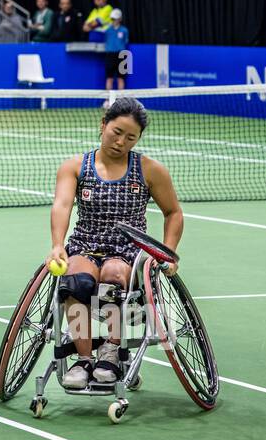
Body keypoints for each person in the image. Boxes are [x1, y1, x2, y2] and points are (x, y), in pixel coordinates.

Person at [47, 98, 183, 389]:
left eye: (130, 137)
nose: (121, 141)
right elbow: (61, 205)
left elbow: (173, 213)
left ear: (138, 139)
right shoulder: (75, 166)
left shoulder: (149, 170)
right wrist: (58, 244)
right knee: (76, 282)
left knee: (113, 278)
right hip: (85, 243)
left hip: (127, 252)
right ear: (103, 125)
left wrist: (169, 254)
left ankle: (111, 351)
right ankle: (83, 360)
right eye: (116, 132)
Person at [104, 9, 130, 91]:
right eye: (112, 19)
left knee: (120, 78)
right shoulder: (107, 30)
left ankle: (121, 100)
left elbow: (125, 41)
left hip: (122, 55)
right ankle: (108, 100)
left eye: (116, 19)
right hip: (110, 55)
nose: (114, 21)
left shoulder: (124, 30)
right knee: (109, 78)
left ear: (120, 19)